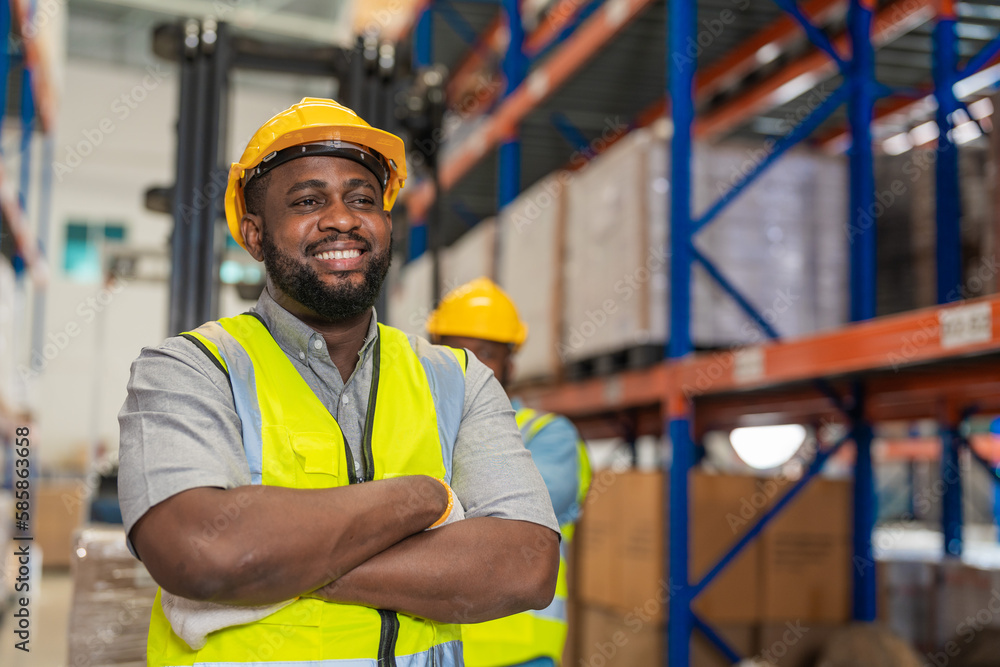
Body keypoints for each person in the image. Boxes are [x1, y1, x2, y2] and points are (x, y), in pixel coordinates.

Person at [117, 98, 560, 667]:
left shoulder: (459, 379)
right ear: (254, 236)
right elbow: (202, 553)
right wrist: (426, 497)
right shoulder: (190, 369)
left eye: (362, 200)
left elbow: (527, 565)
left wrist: (277, 565)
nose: (343, 218)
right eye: (307, 200)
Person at [427, 278, 592, 667]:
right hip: (429, 649)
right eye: (454, 350)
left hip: (521, 656)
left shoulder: (548, 435)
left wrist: (415, 502)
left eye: (486, 353)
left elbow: (511, 519)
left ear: (510, 364)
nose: (468, 363)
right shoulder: (406, 428)